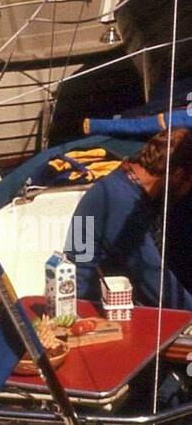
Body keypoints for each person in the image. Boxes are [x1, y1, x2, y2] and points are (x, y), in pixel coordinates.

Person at [65, 128, 192, 312]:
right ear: (179, 175)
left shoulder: (123, 184)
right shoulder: (120, 202)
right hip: (89, 309)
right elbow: (153, 279)